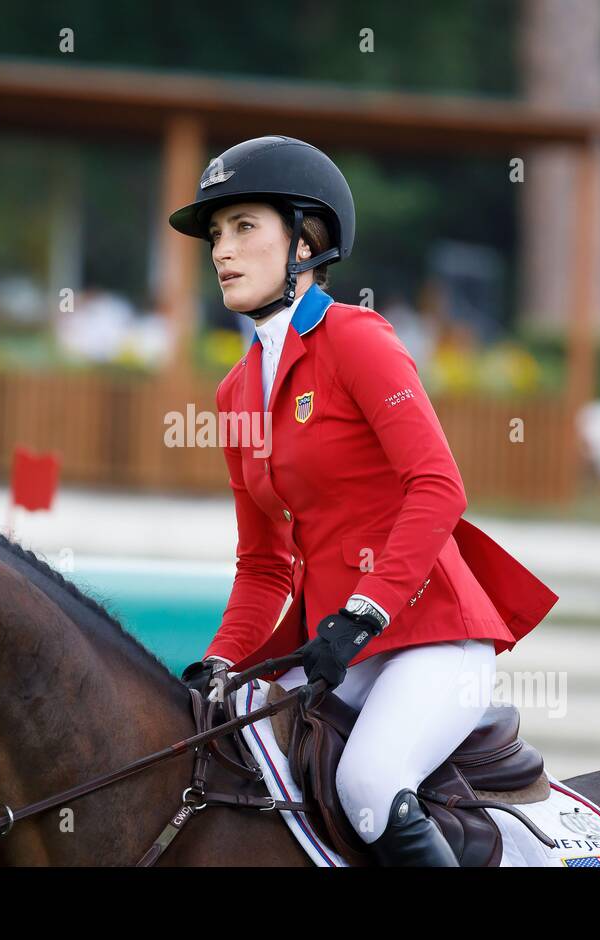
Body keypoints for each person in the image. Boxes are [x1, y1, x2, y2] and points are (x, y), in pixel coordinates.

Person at [168, 135, 558, 866]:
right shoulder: (233, 392)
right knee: (219, 757)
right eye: (216, 234)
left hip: (430, 637)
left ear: (306, 240)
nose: (222, 249)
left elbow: (439, 486)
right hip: (331, 652)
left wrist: (364, 610)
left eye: (244, 226)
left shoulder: (357, 339)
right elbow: (262, 564)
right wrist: (220, 661)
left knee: (369, 785)